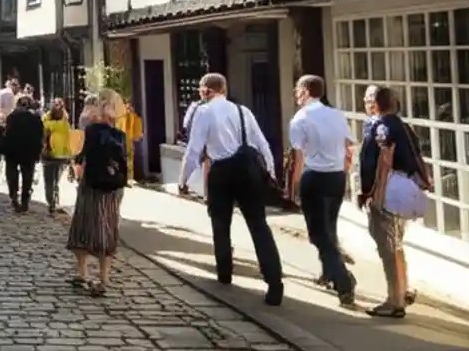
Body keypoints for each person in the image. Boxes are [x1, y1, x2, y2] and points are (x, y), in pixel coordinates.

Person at [178, 72, 283, 305]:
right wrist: (271, 175)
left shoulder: (204, 112)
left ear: (206, 90)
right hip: (248, 170)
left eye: (201, 90)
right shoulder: (242, 111)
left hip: (222, 171)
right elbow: (262, 144)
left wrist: (183, 180)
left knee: (221, 223)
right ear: (224, 89)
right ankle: (274, 281)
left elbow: (194, 149)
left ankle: (224, 273)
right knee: (259, 226)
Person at [359, 85, 430, 318]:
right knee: (397, 245)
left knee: (387, 248)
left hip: (388, 190)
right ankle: (403, 289)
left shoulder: (377, 127)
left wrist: (366, 191)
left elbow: (370, 163)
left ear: (376, 104)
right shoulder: (403, 127)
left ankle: (394, 300)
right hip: (406, 188)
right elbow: (418, 155)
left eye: (369, 100)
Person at [290, 74, 358, 308]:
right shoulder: (337, 115)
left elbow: (298, 157)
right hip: (336, 177)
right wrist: (345, 171)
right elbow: (349, 147)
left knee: (318, 234)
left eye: (298, 90)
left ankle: (344, 280)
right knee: (329, 227)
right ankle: (328, 272)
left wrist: (295, 185)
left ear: (307, 92)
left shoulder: (300, 118)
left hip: (314, 176)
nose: (296, 94)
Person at [67, 88, 128, 297]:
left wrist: (77, 169)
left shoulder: (92, 129)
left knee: (84, 226)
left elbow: (82, 155)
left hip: (93, 185)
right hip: (113, 187)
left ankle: (84, 273)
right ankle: (103, 278)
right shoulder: (120, 135)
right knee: (107, 227)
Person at [4, 96, 45, 213]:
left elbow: (7, 134)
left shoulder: (11, 118)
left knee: (12, 174)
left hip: (12, 151)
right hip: (29, 152)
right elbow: (39, 137)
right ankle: (25, 201)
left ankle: (13, 196)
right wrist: (38, 153)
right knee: (27, 177)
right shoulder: (35, 119)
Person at [41, 98, 73, 215]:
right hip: (62, 156)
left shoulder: (46, 124)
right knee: (56, 180)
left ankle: (51, 202)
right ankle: (55, 200)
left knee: (49, 181)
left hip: (48, 156)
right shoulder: (65, 125)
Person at [118, 98, 144, 186]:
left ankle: (128, 178)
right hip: (124, 140)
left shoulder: (127, 115)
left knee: (128, 159)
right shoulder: (125, 115)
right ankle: (127, 178)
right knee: (127, 159)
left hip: (126, 140)